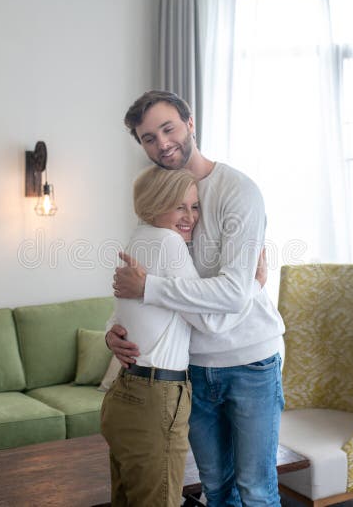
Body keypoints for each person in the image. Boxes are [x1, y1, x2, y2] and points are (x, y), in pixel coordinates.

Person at [107, 90, 286, 506]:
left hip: (250, 361)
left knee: (256, 490)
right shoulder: (157, 199)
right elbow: (135, 277)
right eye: (148, 138)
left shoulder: (238, 191)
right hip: (192, 367)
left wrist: (149, 288)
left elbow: (231, 292)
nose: (162, 143)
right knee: (215, 488)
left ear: (190, 123)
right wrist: (114, 331)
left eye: (167, 128)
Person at [101, 165, 260, 506]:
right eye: (179, 207)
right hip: (156, 398)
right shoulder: (169, 244)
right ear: (155, 205)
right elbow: (210, 322)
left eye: (194, 206)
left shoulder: (137, 237)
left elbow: (132, 311)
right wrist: (256, 284)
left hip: (123, 393)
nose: (190, 217)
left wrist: (108, 334)